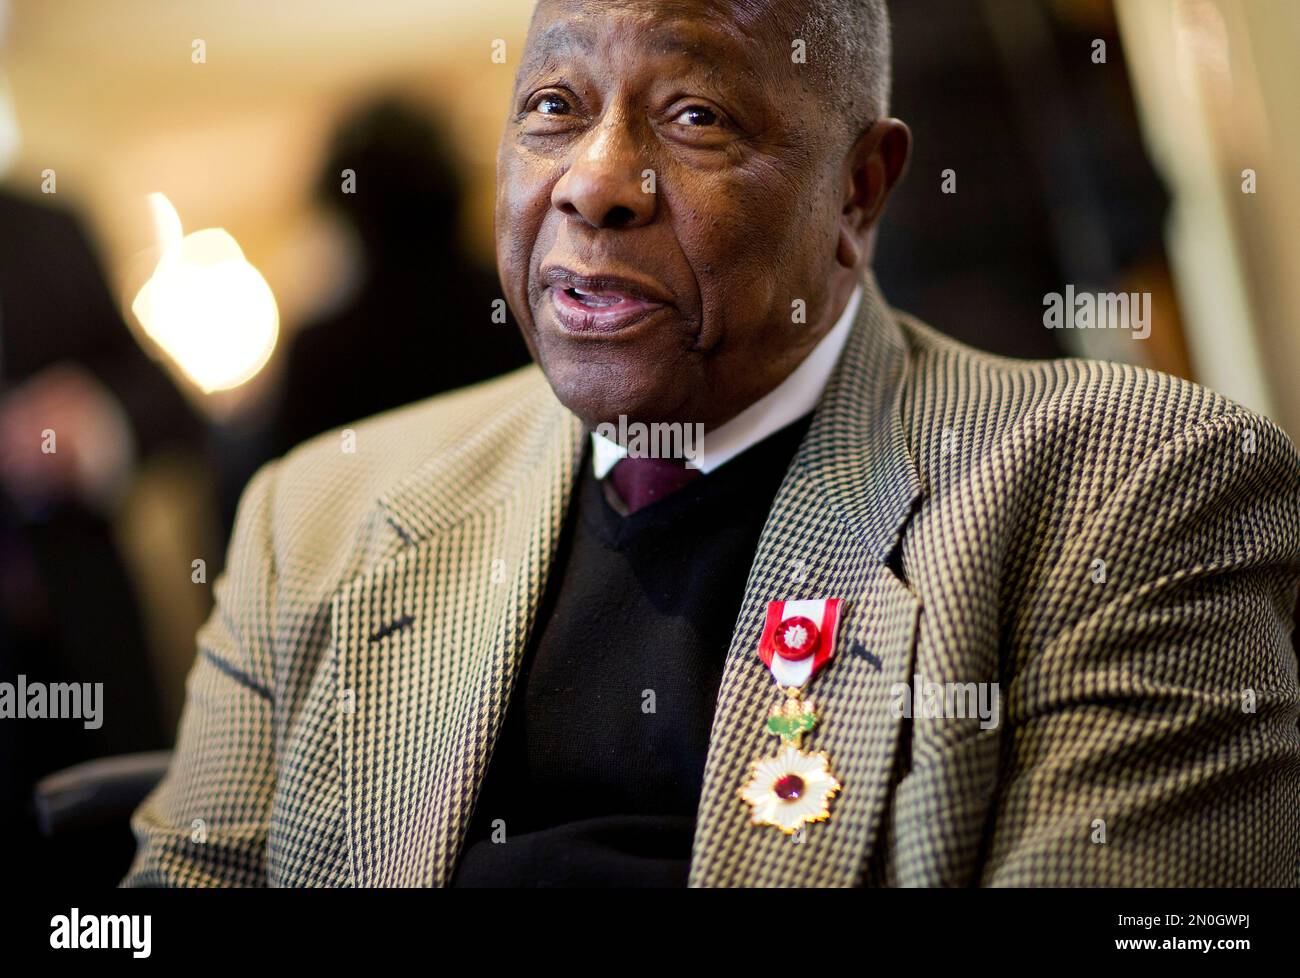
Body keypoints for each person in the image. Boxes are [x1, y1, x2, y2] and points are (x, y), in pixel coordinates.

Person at [125, 0, 1300, 887]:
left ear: (857, 191)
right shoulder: (315, 514)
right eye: (554, 108)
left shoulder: (1129, 491)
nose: (594, 184)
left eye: (694, 116)